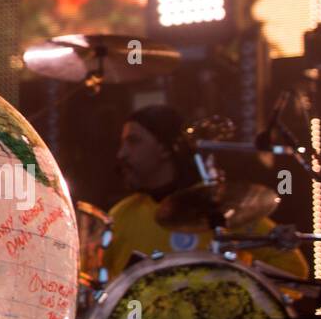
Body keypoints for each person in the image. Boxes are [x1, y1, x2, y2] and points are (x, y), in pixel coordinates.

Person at [102, 104, 308, 280]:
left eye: (134, 141)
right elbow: (96, 285)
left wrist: (239, 287)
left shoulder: (219, 207)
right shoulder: (119, 216)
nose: (122, 154)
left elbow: (292, 270)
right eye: (122, 143)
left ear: (166, 148)